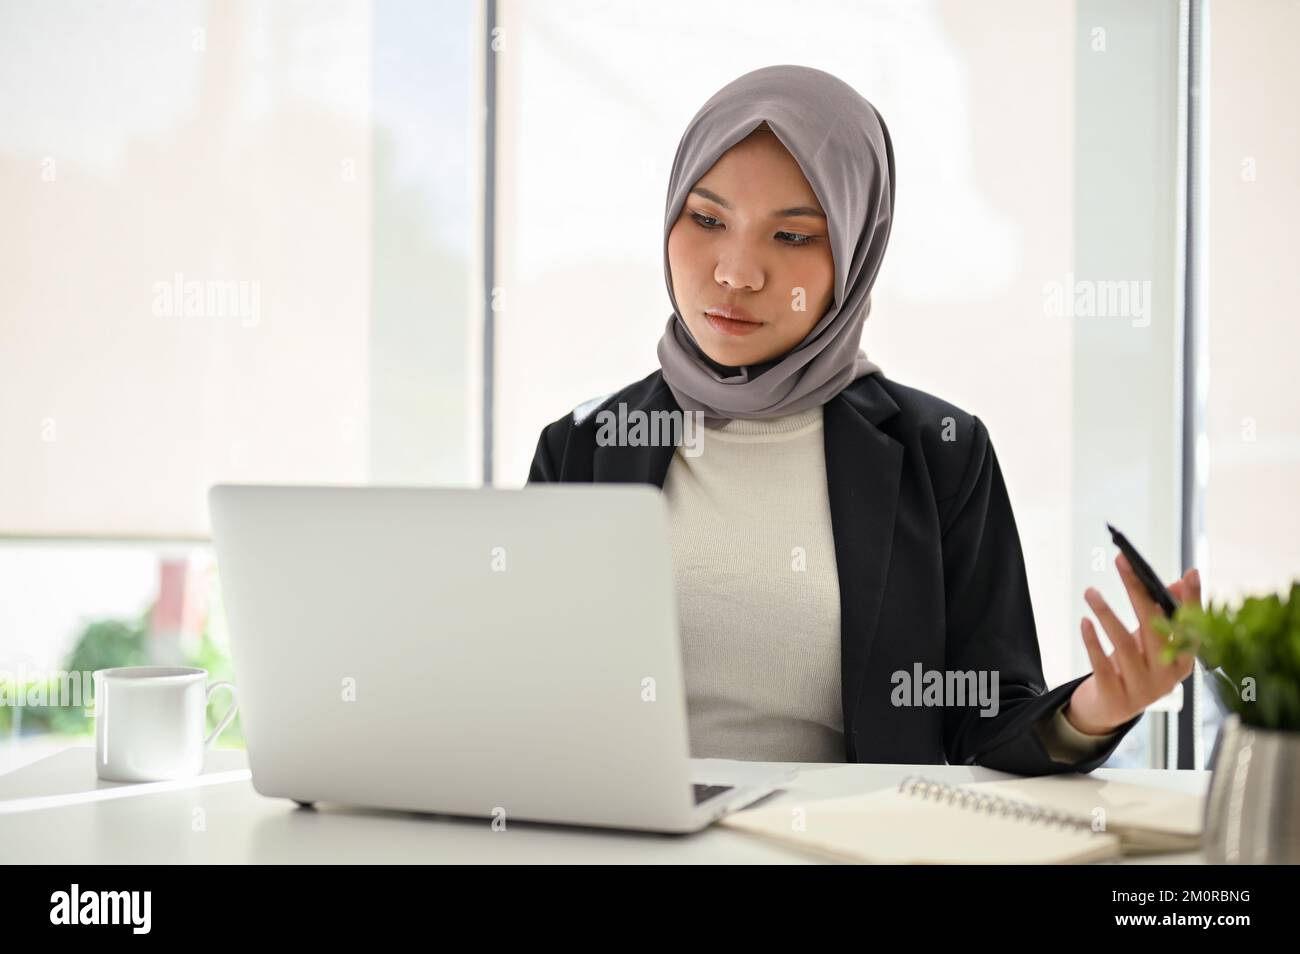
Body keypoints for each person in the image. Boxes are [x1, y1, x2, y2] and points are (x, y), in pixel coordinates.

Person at [527, 65, 1201, 774]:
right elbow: (526, 700)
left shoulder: (942, 453)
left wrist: (1094, 709)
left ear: (855, 253)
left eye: (792, 238)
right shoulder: (582, 447)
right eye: (706, 219)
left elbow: (987, 718)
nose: (736, 272)